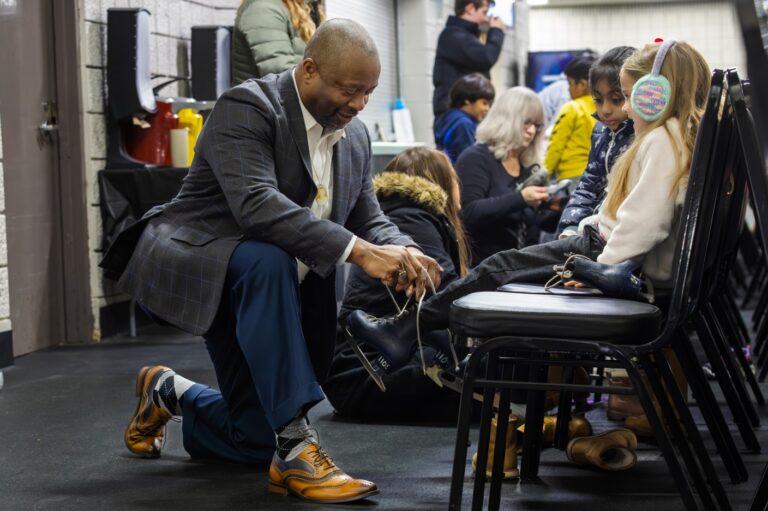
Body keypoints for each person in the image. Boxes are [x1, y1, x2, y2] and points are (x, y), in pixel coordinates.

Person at [102, 20, 442, 505]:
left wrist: (405, 251)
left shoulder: (356, 136)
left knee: (254, 440)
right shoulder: (247, 107)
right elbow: (257, 206)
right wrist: (364, 254)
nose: (360, 104)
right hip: (210, 266)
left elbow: (370, 217)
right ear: (308, 71)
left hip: (285, 288)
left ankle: (170, 392)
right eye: (350, 90)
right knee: (268, 257)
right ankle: (298, 447)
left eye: (368, 92)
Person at [347, 40, 711, 384]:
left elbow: (642, 223)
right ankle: (403, 331)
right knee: (499, 266)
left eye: (629, 97)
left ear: (657, 96)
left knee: (496, 268)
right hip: (599, 250)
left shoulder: (664, 141)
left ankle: (402, 330)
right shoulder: (680, 137)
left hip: (600, 254)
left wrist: (602, 270)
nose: (627, 109)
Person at [324, 147, 472, 421]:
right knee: (499, 387)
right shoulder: (411, 217)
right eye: (454, 178)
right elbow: (449, 295)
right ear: (439, 182)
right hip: (368, 376)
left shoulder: (402, 215)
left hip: (368, 371)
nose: (458, 186)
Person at [455, 87, 551, 263]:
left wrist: (556, 209)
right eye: (526, 123)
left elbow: (532, 222)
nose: (531, 131)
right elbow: (468, 212)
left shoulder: (528, 164)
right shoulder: (475, 158)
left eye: (536, 126)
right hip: (482, 267)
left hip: (520, 268)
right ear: (507, 120)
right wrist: (520, 199)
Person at [557, 46, 637, 238]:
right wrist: (569, 226)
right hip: (593, 229)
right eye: (598, 100)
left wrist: (594, 223)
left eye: (617, 99)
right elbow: (588, 183)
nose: (605, 110)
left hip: (615, 235)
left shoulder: (642, 135)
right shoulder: (601, 130)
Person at [432, 0, 506, 118]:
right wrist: (496, 31)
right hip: (455, 117)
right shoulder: (452, 35)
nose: (487, 19)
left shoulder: (467, 37)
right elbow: (486, 58)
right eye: (484, 12)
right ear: (470, 8)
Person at [231, 0, 325, 85]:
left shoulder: (301, 7)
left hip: (281, 99)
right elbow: (281, 73)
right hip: (262, 102)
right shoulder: (263, 8)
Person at [544, 55, 598, 184]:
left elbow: (556, 146)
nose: (568, 89)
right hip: (596, 175)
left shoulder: (572, 108)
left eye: (569, 83)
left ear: (582, 84)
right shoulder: (602, 109)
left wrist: (544, 173)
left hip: (571, 177)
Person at [434, 73, 495, 164]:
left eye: (489, 104)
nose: (487, 109)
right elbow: (471, 160)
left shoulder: (449, 117)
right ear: (468, 100)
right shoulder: (464, 124)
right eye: (484, 103)